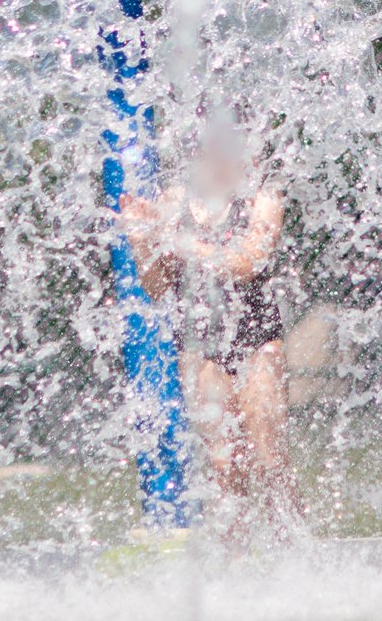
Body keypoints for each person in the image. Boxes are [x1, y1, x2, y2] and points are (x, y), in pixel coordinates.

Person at [119, 114, 295, 527]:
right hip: (200, 348)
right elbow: (158, 286)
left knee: (270, 460)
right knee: (224, 468)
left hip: (257, 340)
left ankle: (295, 556)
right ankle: (233, 570)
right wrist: (142, 240)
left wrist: (180, 243)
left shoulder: (262, 198)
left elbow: (250, 261)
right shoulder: (173, 202)